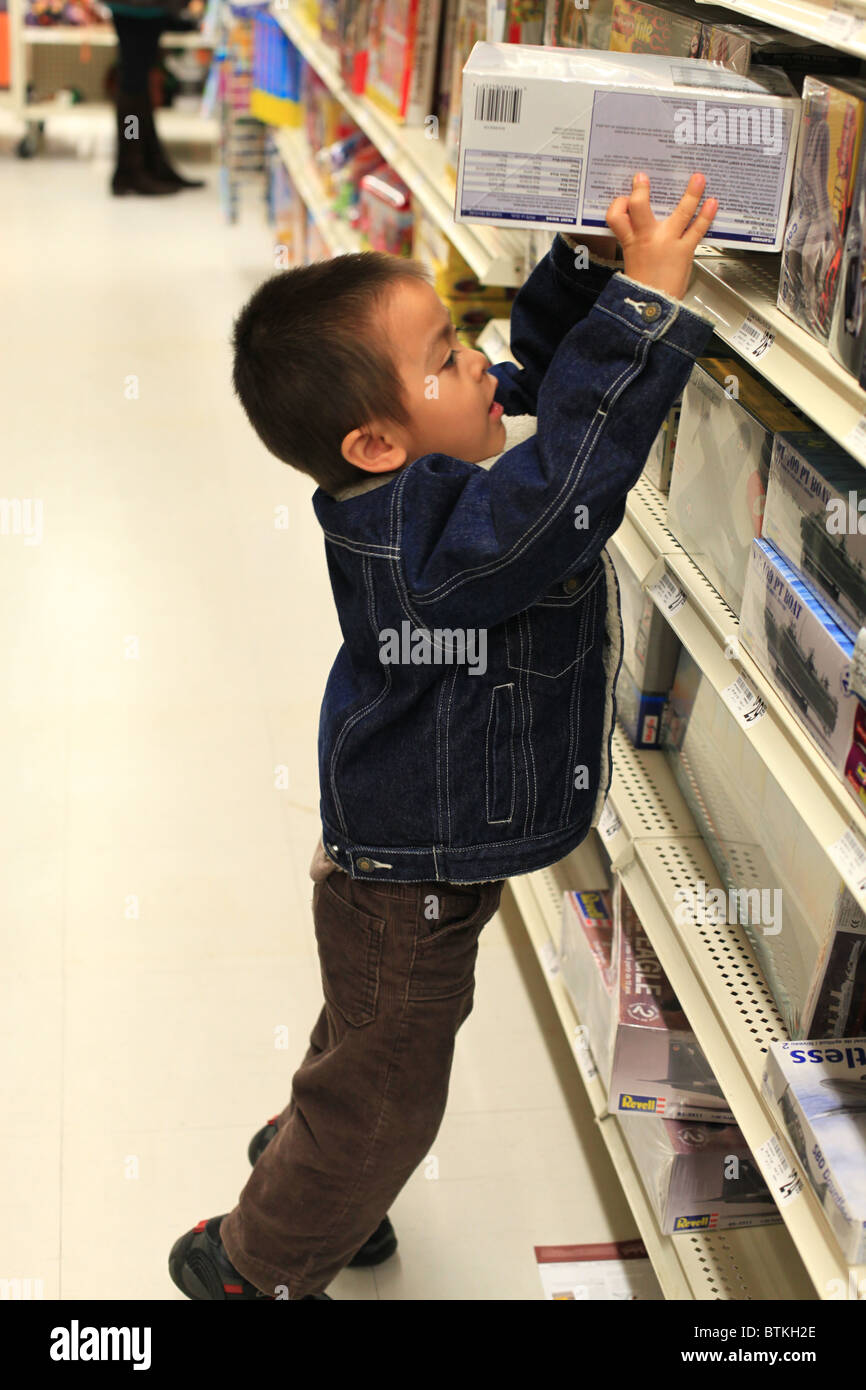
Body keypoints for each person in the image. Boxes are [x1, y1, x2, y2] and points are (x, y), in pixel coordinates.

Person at [168, 171, 719, 1300]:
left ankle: (313, 1166)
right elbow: (566, 476)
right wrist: (649, 312)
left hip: (403, 849)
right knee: (390, 1093)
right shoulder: (439, 540)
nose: (478, 362)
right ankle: (251, 1260)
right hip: (404, 865)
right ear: (377, 444)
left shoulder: (424, 469)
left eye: (459, 336)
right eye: (444, 357)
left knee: (366, 1030)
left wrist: (587, 270)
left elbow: (540, 387)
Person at [106, 0, 205, 195]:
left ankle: (150, 162)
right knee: (132, 86)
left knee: (139, 84)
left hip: (148, 7)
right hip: (135, 7)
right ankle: (129, 168)